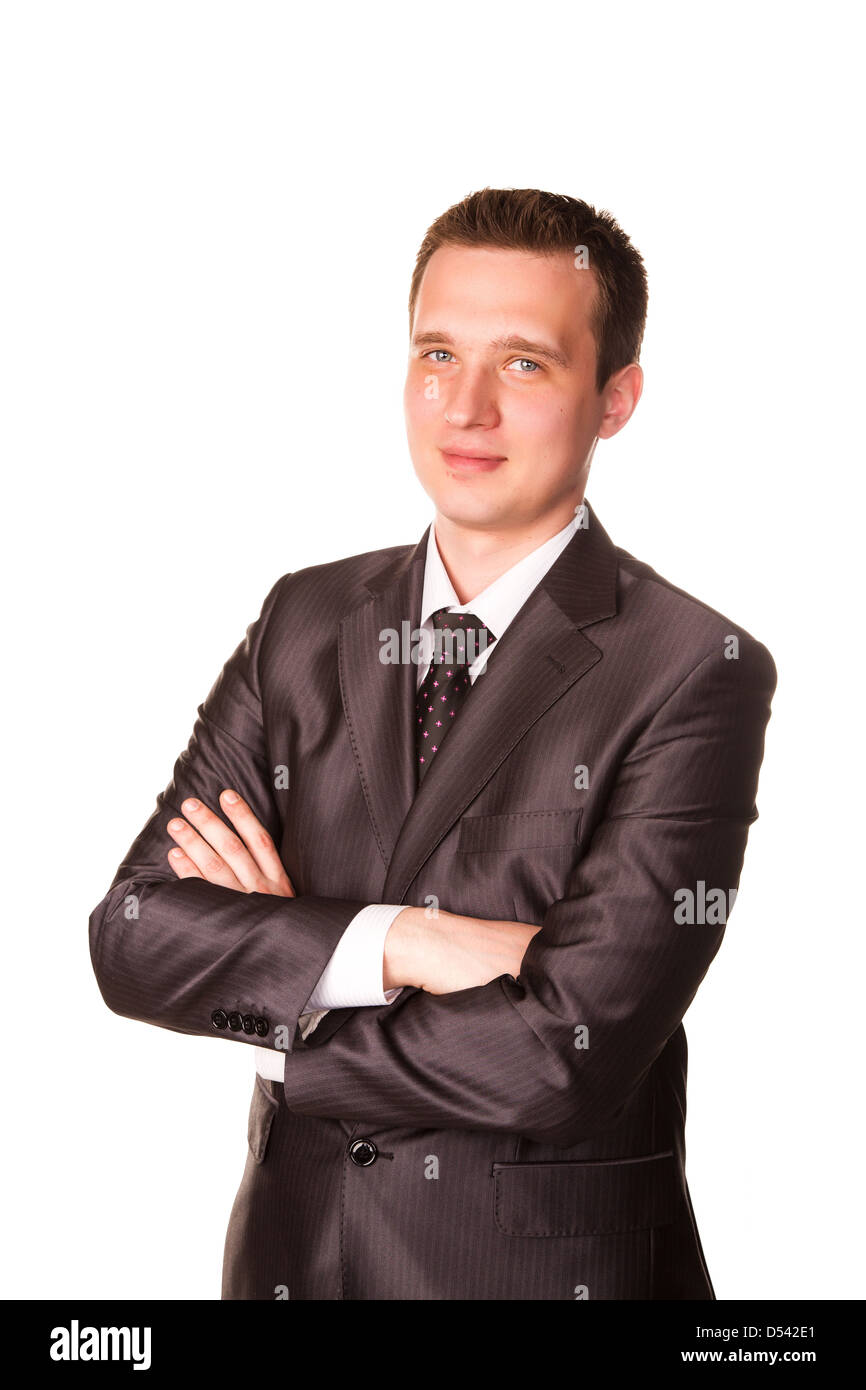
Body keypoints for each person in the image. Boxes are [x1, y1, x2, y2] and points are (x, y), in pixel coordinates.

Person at [89, 187, 776, 1300]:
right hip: (293, 1265)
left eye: (522, 365)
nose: (463, 407)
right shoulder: (303, 621)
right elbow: (133, 937)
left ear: (615, 399)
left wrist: (281, 1003)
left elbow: (565, 1052)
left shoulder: (692, 667)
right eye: (436, 353)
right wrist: (403, 941)